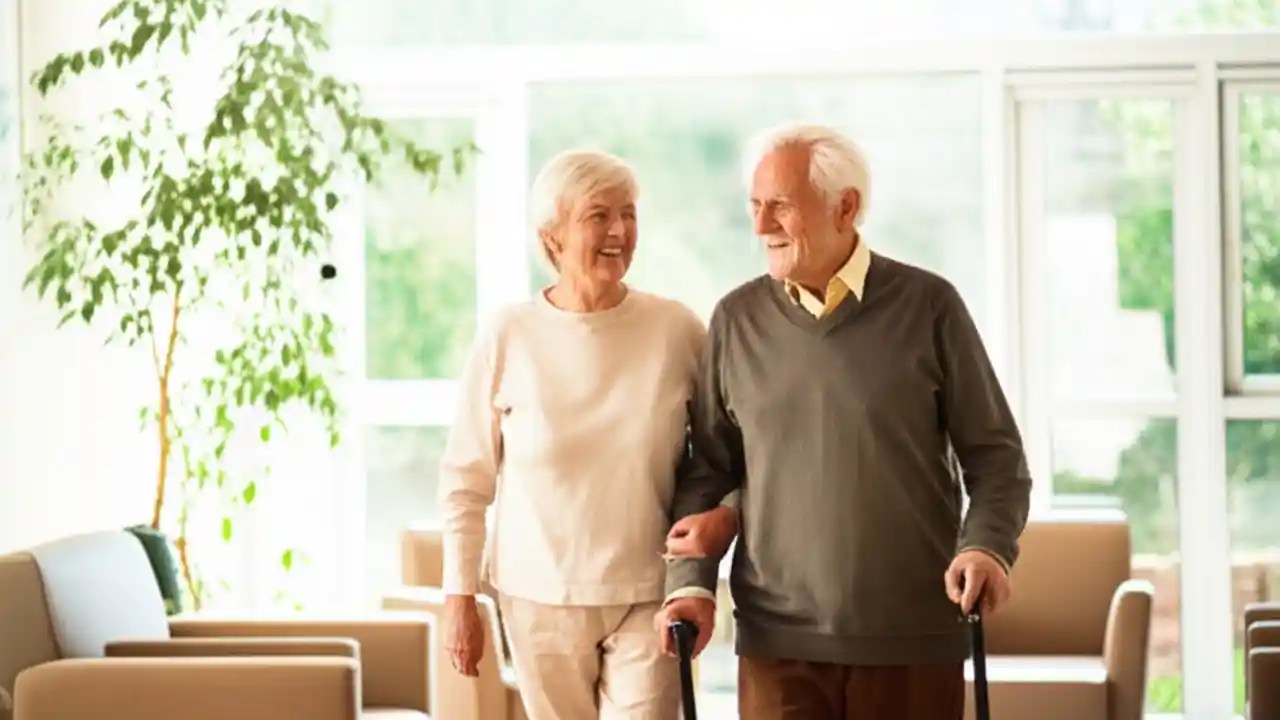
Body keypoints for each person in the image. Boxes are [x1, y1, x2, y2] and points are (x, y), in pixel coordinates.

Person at [655, 123, 1033, 720]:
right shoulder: (735, 319)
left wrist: (986, 548)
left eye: (780, 206)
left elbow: (997, 460)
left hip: (911, 638)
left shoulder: (930, 307)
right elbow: (709, 471)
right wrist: (691, 584)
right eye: (755, 206)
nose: (761, 226)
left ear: (846, 207)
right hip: (777, 642)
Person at [437, 148, 710, 720]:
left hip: (648, 588)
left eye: (628, 214)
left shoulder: (676, 330)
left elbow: (716, 459)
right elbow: (466, 478)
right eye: (598, 215)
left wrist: (697, 578)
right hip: (537, 594)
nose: (619, 231)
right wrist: (459, 596)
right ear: (552, 236)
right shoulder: (509, 334)